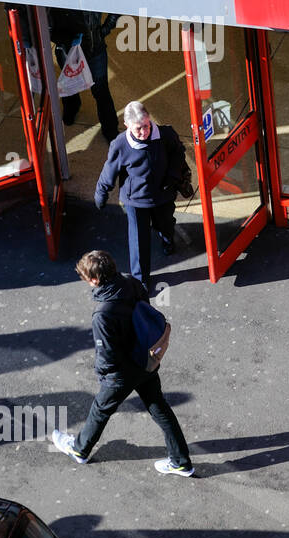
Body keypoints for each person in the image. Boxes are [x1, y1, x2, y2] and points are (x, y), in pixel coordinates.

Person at [51, 250, 194, 477]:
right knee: (159, 408)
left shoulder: (103, 313)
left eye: (86, 279)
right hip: (146, 360)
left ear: (95, 280)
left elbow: (107, 354)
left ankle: (80, 449)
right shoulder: (132, 282)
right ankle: (181, 462)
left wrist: (105, 378)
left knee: (100, 409)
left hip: (122, 371)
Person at [94, 101, 189, 293]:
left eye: (147, 125)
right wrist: (101, 193)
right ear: (127, 125)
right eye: (139, 128)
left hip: (163, 194)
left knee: (165, 223)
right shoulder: (120, 144)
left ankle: (167, 238)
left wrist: (172, 177)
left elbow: (179, 154)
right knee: (138, 240)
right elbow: (109, 171)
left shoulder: (165, 134)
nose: (144, 132)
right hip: (136, 200)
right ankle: (141, 280)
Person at [48, 8, 121, 144]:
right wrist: (64, 39)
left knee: (101, 90)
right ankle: (72, 107)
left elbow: (116, 6)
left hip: (93, 47)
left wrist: (103, 31)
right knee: (69, 83)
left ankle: (110, 129)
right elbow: (47, 24)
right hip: (67, 48)